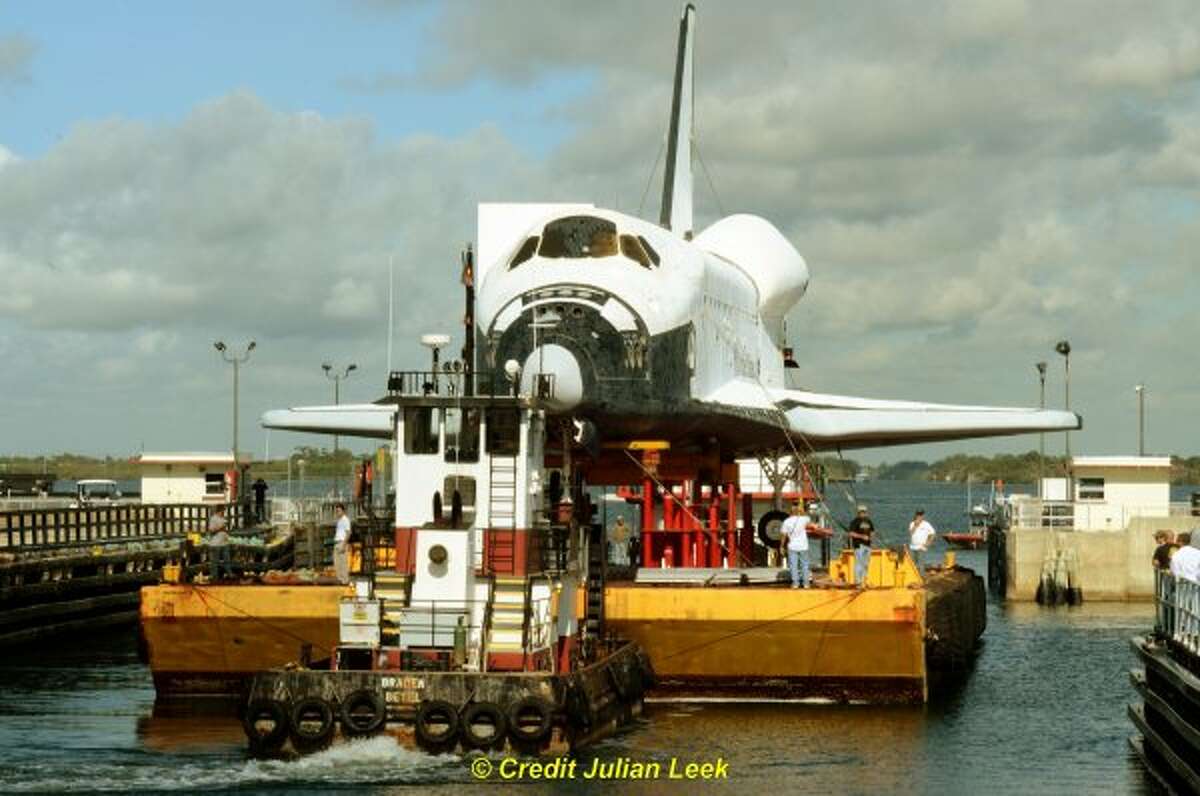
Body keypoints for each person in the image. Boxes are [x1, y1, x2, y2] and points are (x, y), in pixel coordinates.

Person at [779, 501, 818, 589]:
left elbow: (783, 536)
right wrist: (801, 511)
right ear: (798, 511)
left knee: (794, 565)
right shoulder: (804, 519)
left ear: (790, 511)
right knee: (804, 565)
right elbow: (808, 519)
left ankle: (795, 583)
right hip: (803, 546)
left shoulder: (786, 522)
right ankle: (806, 583)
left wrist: (781, 546)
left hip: (792, 546)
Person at [847, 505, 875, 586]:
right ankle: (858, 582)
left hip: (868, 546)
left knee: (866, 564)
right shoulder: (855, 521)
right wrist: (862, 536)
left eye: (864, 512)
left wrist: (872, 538)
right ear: (858, 513)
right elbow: (851, 533)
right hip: (859, 545)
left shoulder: (869, 521)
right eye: (861, 512)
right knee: (859, 563)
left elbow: (872, 531)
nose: (863, 513)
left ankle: (864, 581)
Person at [207, 505, 233, 581]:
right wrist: (220, 528)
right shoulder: (213, 519)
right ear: (219, 510)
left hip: (224, 543)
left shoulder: (223, 519)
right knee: (214, 562)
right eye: (223, 511)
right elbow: (211, 531)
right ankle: (214, 577)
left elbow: (226, 530)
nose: (223, 512)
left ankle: (229, 575)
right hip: (216, 543)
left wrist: (226, 529)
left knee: (227, 560)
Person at [333, 502, 351, 584]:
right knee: (337, 563)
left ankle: (345, 580)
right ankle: (340, 579)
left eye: (339, 511)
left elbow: (348, 532)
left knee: (343, 563)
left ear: (343, 511)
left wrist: (344, 544)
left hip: (342, 542)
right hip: (337, 542)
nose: (338, 512)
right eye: (337, 511)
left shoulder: (345, 520)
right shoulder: (339, 520)